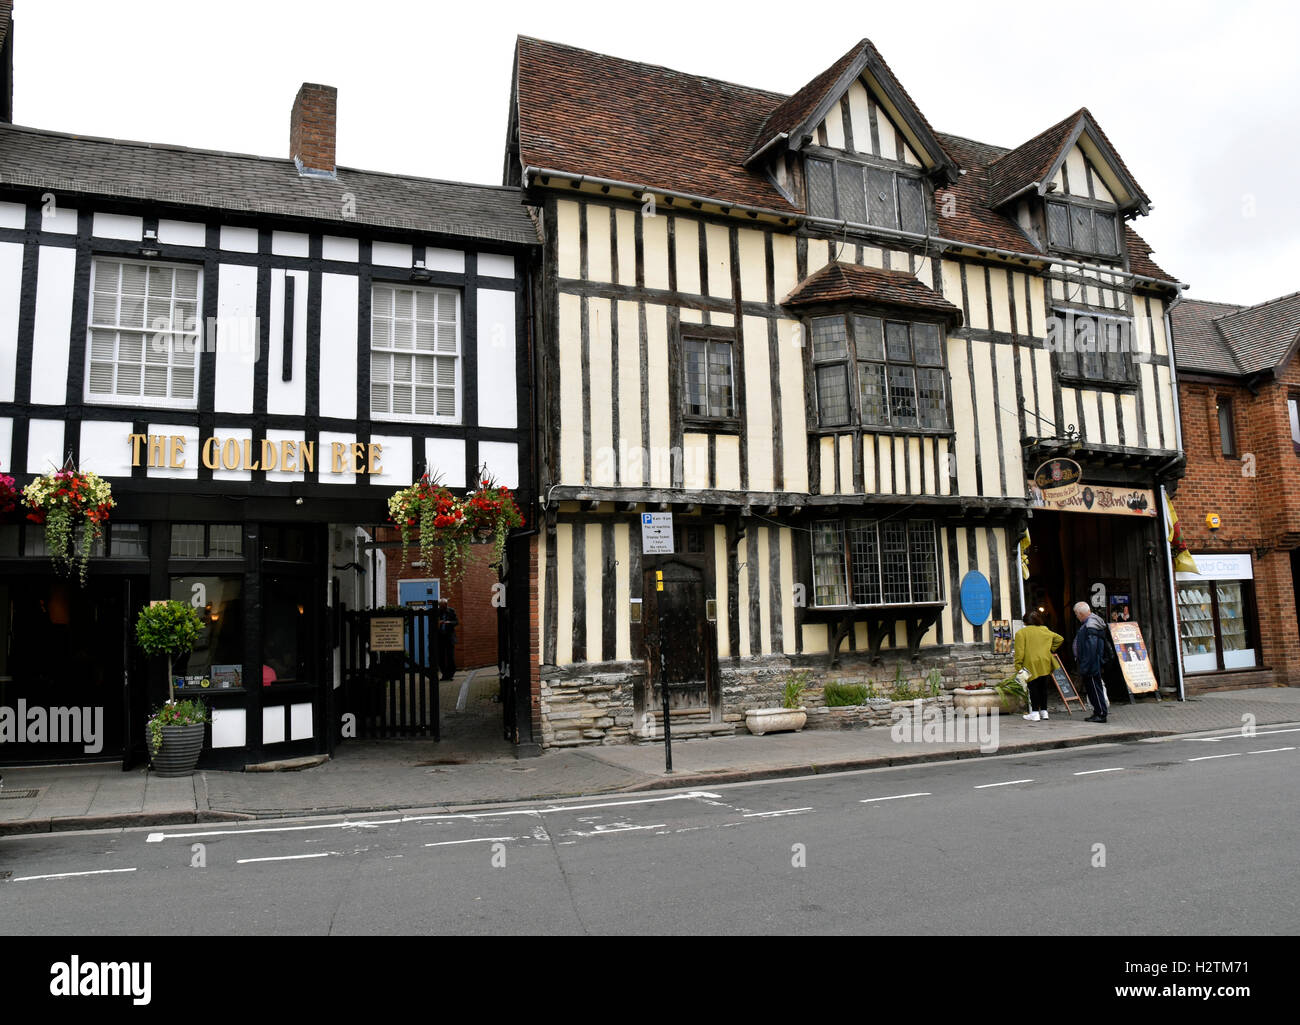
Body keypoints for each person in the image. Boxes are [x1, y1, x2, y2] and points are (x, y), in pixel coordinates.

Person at [1014, 610, 1064, 722]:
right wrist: (1050, 649)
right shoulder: (1045, 629)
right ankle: (1044, 712)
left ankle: (1035, 713)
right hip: (1045, 661)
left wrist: (1018, 666)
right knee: (1043, 687)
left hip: (1030, 663)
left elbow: (1019, 652)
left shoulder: (1021, 633)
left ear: (1025, 621)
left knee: (1033, 688)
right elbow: (1059, 639)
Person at [1073, 601, 1110, 723]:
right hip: (1092, 662)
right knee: (1094, 688)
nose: (1076, 617)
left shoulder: (1090, 626)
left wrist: (1085, 665)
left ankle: (1100, 713)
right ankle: (1097, 712)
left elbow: (1091, 647)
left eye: (1076, 614)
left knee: (1094, 688)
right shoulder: (1091, 623)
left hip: (1091, 663)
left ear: (1080, 613)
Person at [437, 597, 459, 681]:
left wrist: (449, 623)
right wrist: (438, 623)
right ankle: (444, 674)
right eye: (441, 606)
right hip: (440, 637)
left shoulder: (451, 611)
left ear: (446, 605)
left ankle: (450, 675)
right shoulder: (437, 612)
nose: (442, 607)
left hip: (449, 637)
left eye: (444, 605)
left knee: (450, 657)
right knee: (441, 657)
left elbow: (456, 622)